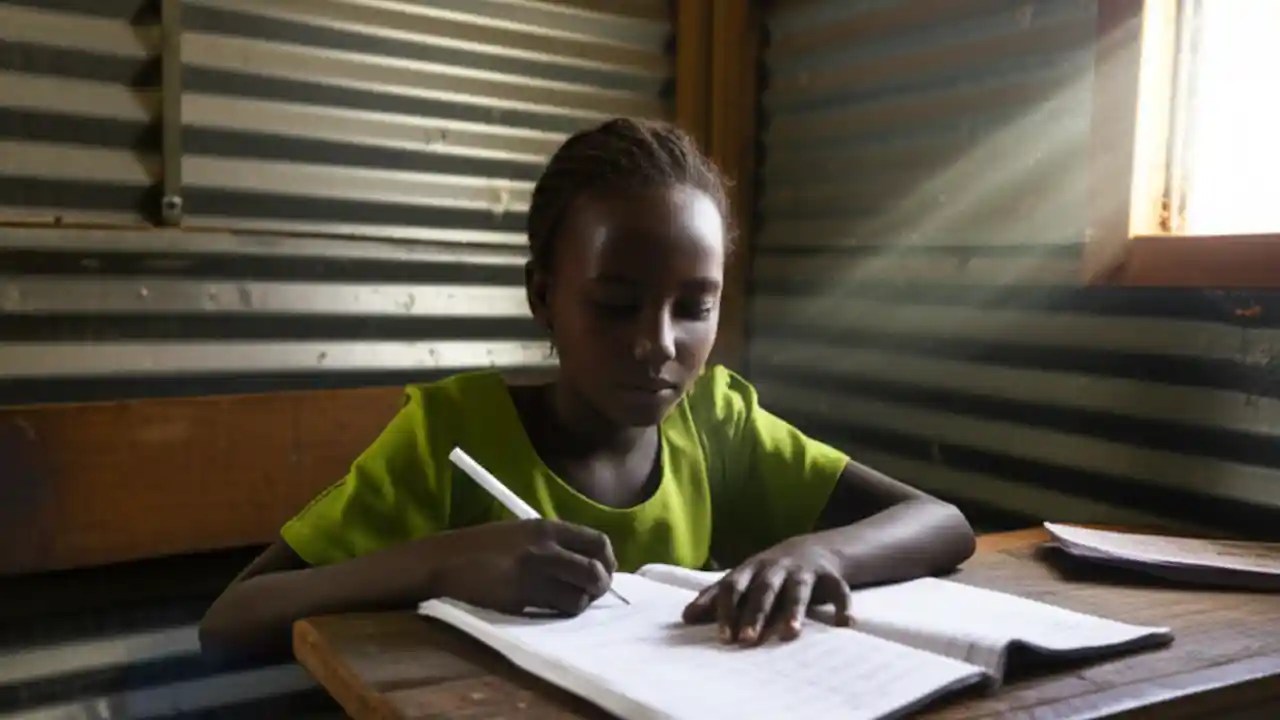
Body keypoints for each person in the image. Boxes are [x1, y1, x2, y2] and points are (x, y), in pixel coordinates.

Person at [199, 118, 975, 661]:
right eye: (614, 304)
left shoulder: (717, 422)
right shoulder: (451, 433)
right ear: (543, 298)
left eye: (695, 307)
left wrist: (815, 555)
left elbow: (940, 521)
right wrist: (440, 563)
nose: (659, 345)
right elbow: (230, 622)